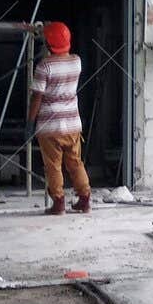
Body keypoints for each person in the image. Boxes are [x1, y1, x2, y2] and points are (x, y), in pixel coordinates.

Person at [28, 21, 91, 216]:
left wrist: (30, 122)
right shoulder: (77, 61)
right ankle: (85, 200)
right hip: (72, 124)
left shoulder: (44, 66)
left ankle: (59, 203)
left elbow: (37, 97)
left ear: (47, 43)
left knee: (53, 165)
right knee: (75, 162)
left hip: (50, 126)